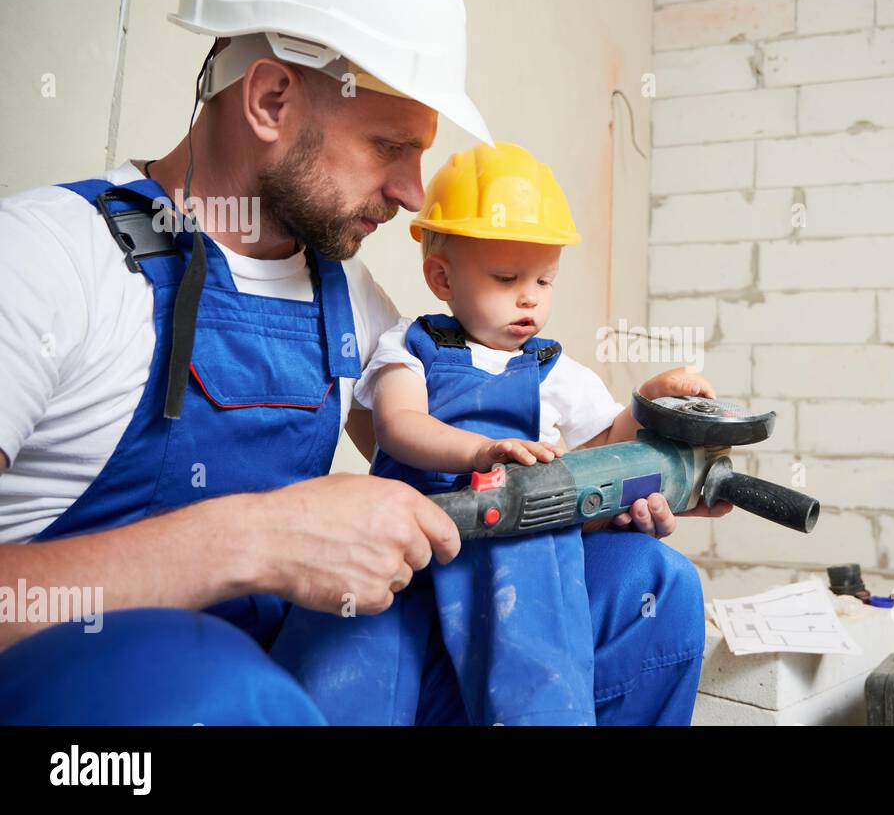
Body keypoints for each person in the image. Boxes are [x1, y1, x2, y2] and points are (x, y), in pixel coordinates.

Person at [0, 0, 720, 725]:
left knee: (644, 590)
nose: (413, 192)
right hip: (104, 702)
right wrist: (253, 539)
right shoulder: (49, 256)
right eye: (389, 146)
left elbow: (470, 485)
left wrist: (605, 481)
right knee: (214, 692)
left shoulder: (348, 297)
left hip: (299, 677)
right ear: (270, 100)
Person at [270, 142, 722, 725]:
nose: (530, 296)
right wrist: (481, 451)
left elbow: (611, 438)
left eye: (545, 279)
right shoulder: (413, 348)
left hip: (523, 550)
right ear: (441, 277)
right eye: (507, 277)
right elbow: (398, 426)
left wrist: (654, 400)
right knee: (356, 670)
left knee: (536, 676)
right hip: (413, 546)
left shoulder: (553, 369)